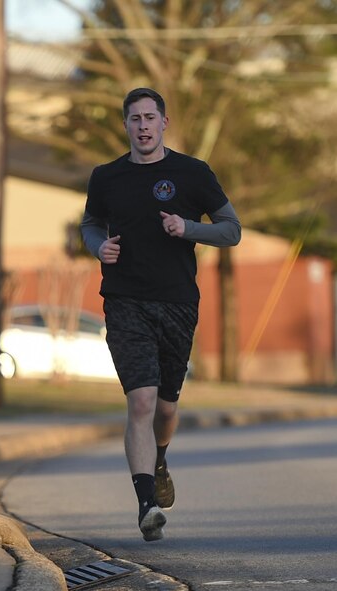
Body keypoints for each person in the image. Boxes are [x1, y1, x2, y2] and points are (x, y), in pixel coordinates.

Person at [81, 87, 241, 541]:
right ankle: (146, 504)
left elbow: (231, 230)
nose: (143, 126)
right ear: (126, 125)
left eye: (150, 117)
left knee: (166, 408)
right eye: (135, 119)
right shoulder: (106, 177)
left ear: (164, 122)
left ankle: (160, 459)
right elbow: (90, 224)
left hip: (177, 302)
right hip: (124, 300)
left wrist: (187, 228)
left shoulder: (193, 173)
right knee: (142, 401)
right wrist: (99, 247)